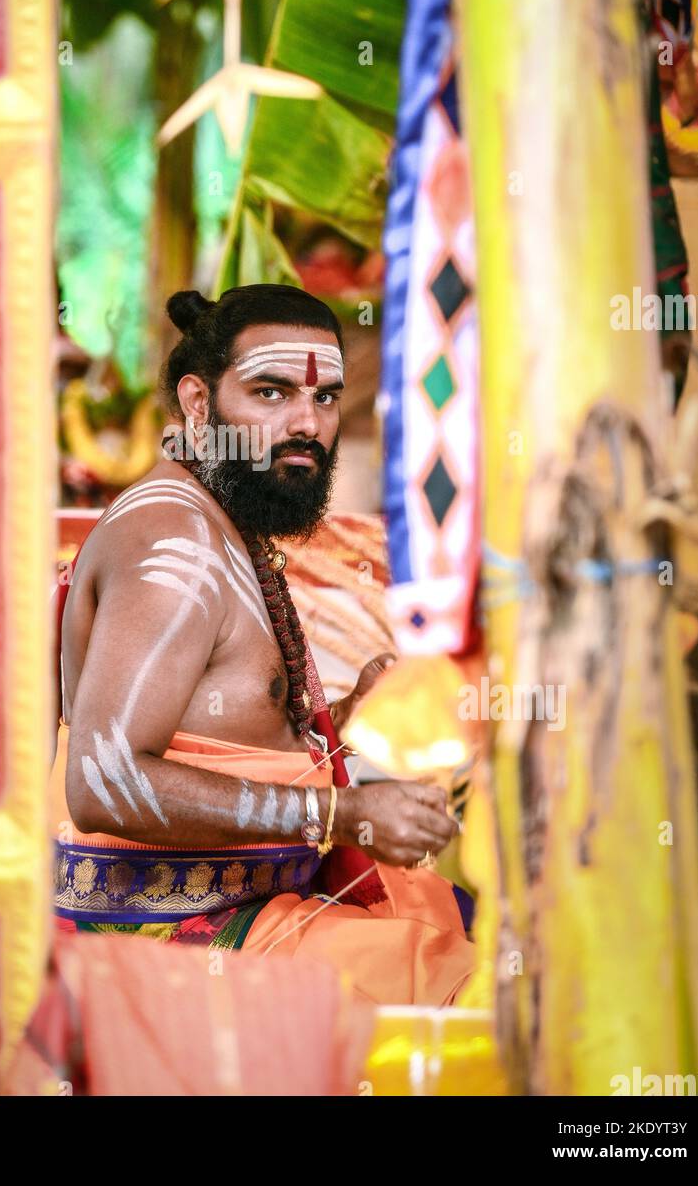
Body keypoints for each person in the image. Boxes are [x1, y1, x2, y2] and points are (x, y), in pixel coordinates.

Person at [52, 283, 475, 1005]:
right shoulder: (174, 548)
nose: (307, 423)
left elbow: (214, 723)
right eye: (271, 393)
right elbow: (105, 782)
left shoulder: (219, 513)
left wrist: (340, 719)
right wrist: (343, 817)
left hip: (252, 901)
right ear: (196, 403)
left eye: (326, 398)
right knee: (483, 999)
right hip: (177, 933)